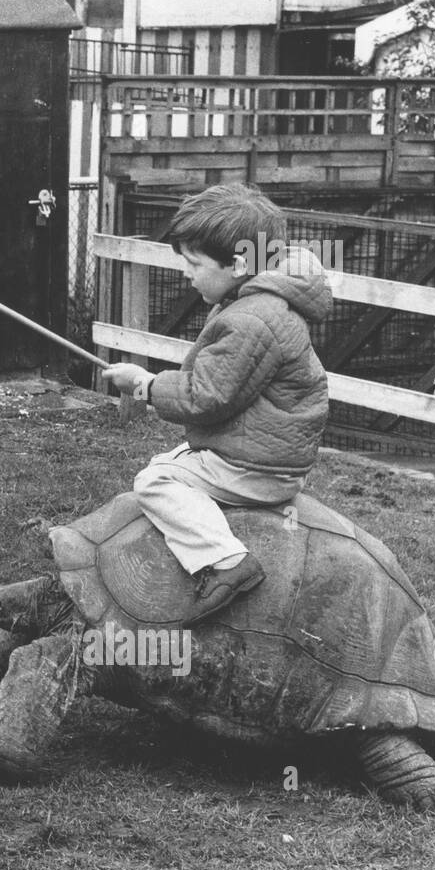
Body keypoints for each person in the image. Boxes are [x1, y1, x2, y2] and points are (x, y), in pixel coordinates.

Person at [101, 183, 332, 621]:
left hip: (261, 467)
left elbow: (205, 397)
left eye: (193, 263)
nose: (187, 273)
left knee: (154, 482)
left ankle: (226, 562)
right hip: (264, 450)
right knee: (171, 458)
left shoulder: (252, 319)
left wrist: (144, 385)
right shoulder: (256, 299)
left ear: (239, 264)